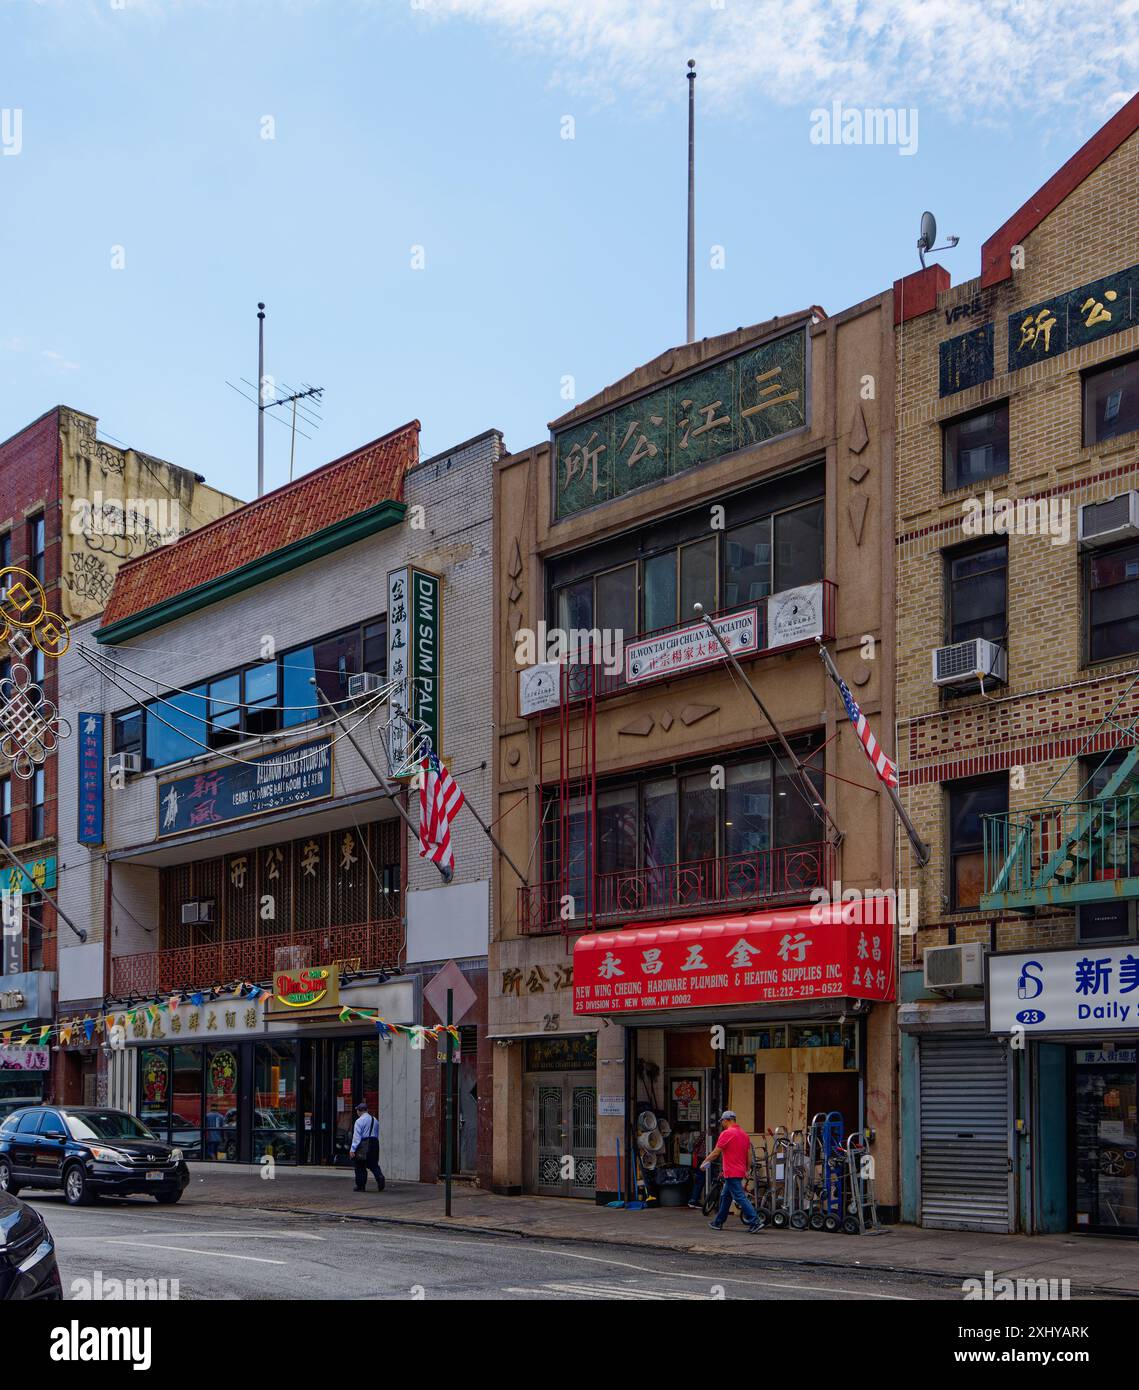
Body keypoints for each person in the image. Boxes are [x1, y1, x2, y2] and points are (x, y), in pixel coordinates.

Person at [701, 1109, 760, 1232]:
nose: (721, 1123)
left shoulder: (727, 1134)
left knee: (739, 1197)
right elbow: (748, 1155)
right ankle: (718, 1222)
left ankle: (755, 1221)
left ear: (726, 1120)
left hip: (731, 1172)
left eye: (722, 1121)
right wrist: (747, 1169)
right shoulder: (744, 1134)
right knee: (725, 1196)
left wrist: (705, 1162)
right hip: (738, 1171)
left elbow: (716, 1152)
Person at [349, 1099, 385, 1193]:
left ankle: (360, 1186)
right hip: (374, 1142)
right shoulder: (375, 1120)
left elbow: (357, 1137)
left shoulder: (359, 1121)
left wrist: (353, 1149)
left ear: (359, 1111)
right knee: (373, 1164)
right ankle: (380, 1177)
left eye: (357, 1110)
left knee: (360, 1165)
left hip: (364, 1143)